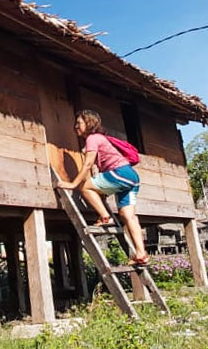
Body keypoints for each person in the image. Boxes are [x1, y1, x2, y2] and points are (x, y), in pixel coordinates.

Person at [57, 109, 149, 266]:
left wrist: (73, 184)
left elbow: (87, 164)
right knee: (128, 215)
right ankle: (141, 254)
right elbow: (93, 167)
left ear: (89, 123)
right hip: (131, 177)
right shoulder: (99, 139)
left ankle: (105, 217)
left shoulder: (93, 138)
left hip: (120, 173)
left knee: (85, 187)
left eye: (79, 123)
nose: (76, 126)